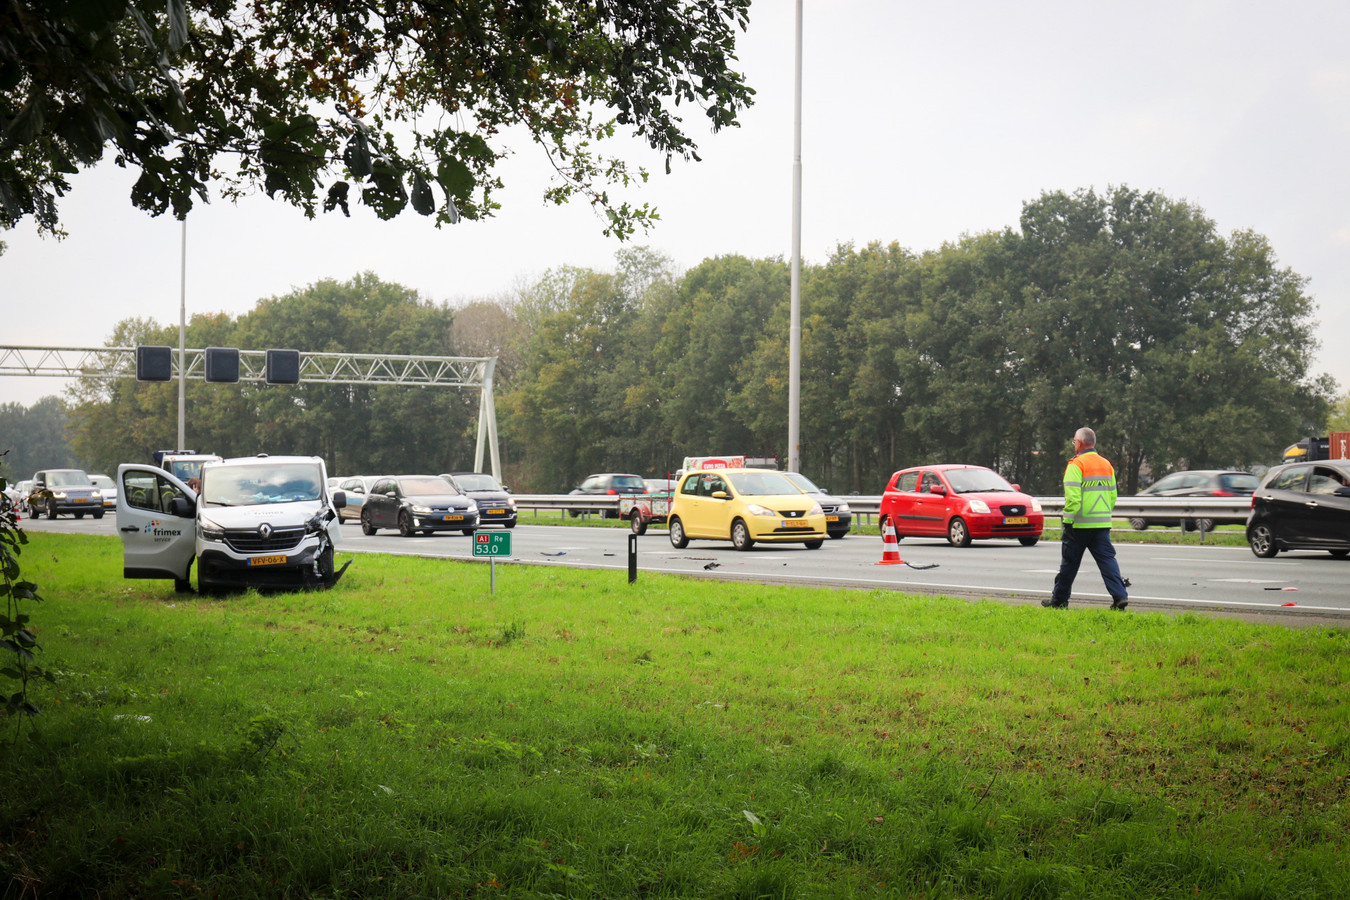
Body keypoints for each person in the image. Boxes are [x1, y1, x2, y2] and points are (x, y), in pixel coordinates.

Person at [1043, 427, 1129, 610]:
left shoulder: (1076, 464)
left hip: (1079, 525)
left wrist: (1068, 521)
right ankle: (1120, 596)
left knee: (1069, 564)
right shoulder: (1106, 464)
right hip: (1102, 523)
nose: (1074, 444)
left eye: (1074, 441)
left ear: (1080, 443)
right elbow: (1113, 495)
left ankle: (1059, 601)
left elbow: (1073, 498)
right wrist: (1103, 513)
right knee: (1107, 561)